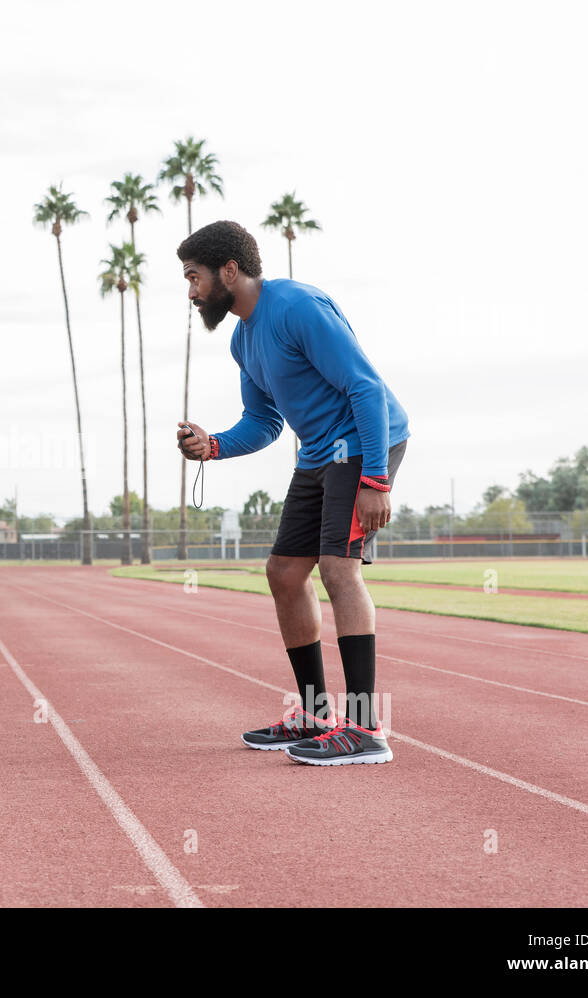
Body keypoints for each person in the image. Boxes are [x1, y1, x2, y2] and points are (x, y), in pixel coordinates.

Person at [175, 220, 409, 766]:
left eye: (194, 278)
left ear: (229, 270)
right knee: (284, 573)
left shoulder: (297, 306)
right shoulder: (243, 338)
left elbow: (365, 386)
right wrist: (213, 447)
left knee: (338, 569)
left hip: (362, 444)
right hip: (317, 455)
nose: (190, 292)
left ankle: (367, 730)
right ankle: (313, 711)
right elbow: (263, 422)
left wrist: (375, 478)